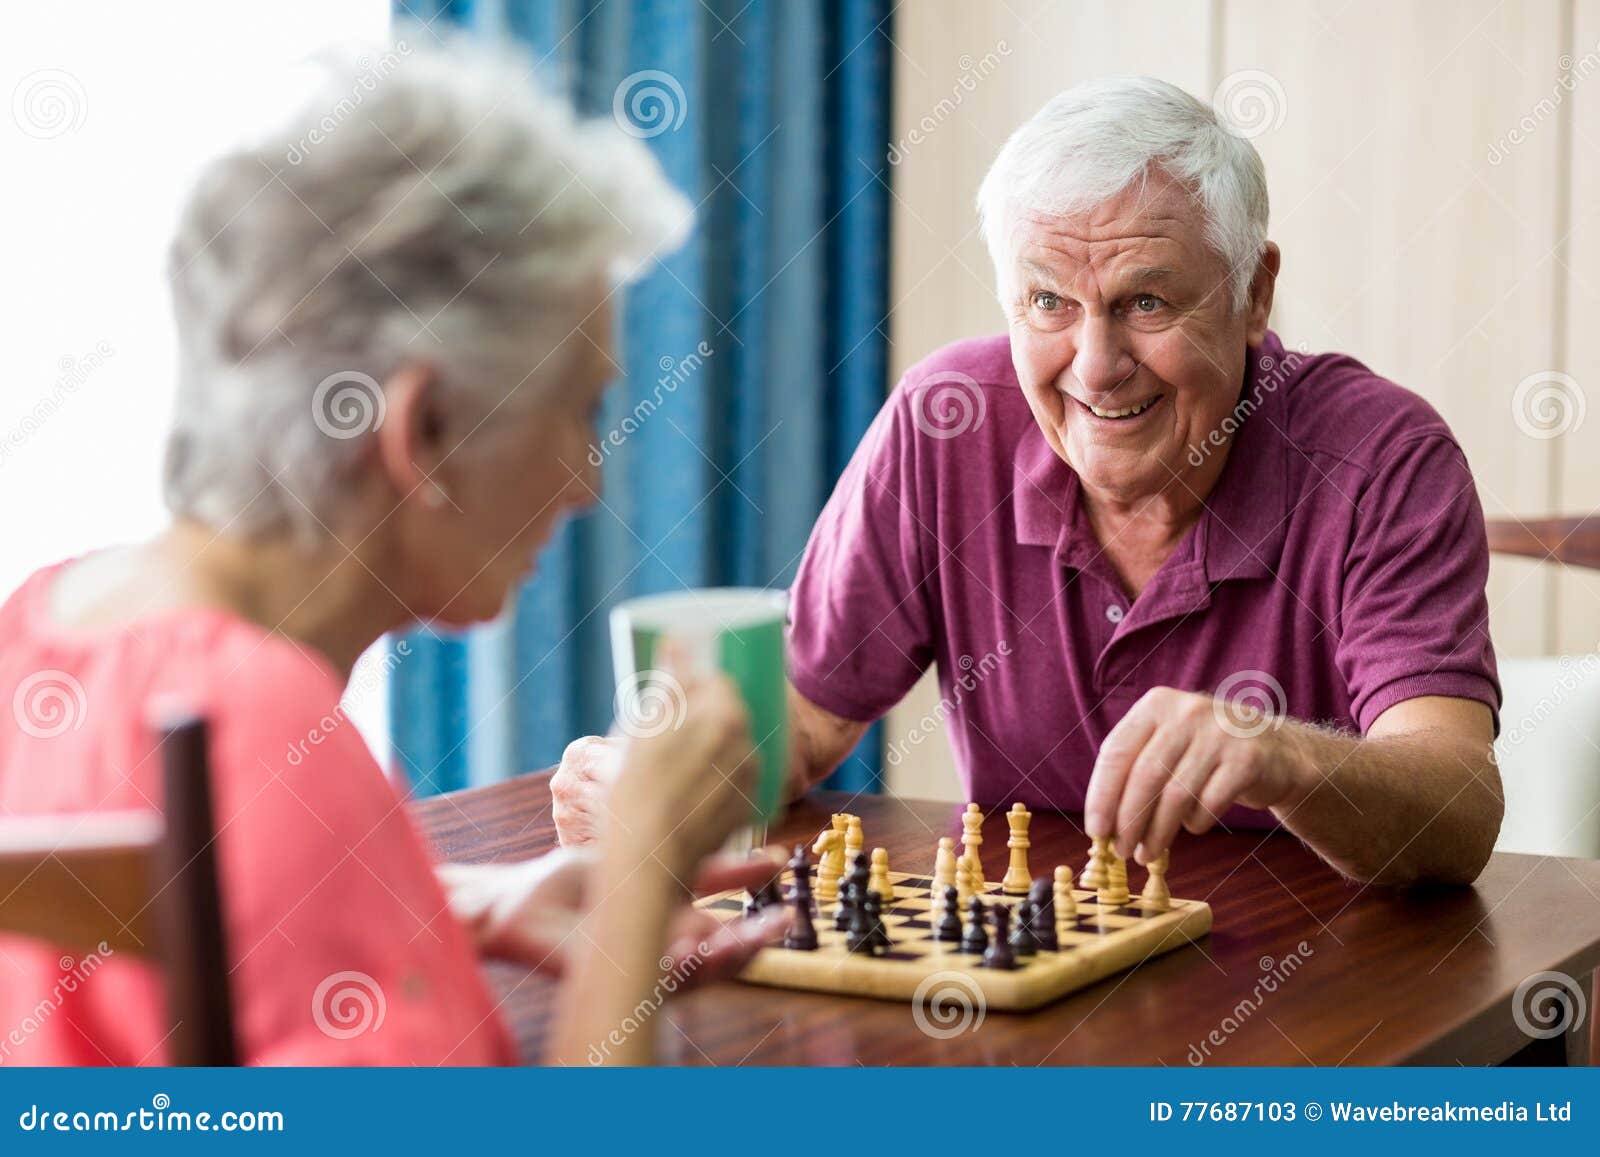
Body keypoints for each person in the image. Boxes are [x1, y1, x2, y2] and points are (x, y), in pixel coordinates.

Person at [0, 37, 785, 1067]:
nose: (588, 480)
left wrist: (457, 901)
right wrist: (640, 876)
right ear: (419, 432)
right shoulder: (260, 723)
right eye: (577, 408)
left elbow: (193, 911)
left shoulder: (42, 618)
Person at [555, 77, 1504, 887]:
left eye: (1145, 302)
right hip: (1035, 990)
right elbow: (802, 724)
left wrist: (1283, 754)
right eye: (1049, 301)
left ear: (1253, 293)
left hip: (1326, 1006)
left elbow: (1457, 810)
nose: (1094, 365)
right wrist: (661, 785)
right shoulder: (946, 423)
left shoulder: (1382, 458)